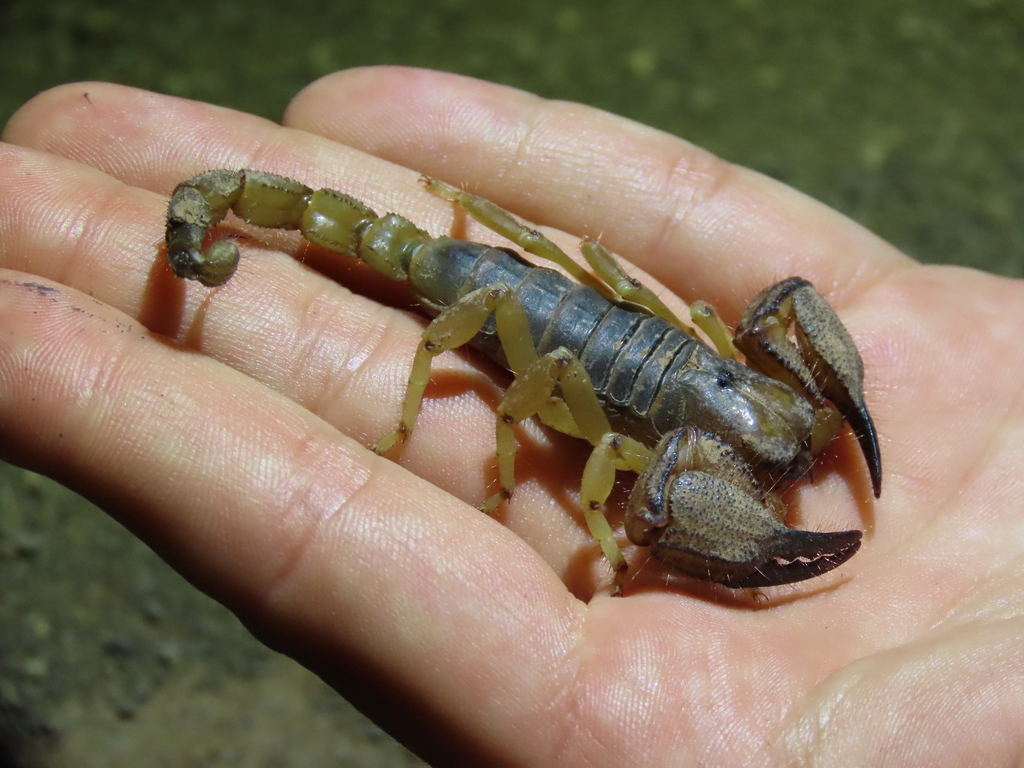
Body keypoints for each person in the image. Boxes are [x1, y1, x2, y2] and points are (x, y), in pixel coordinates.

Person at [1, 67, 1021, 766]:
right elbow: (628, 456)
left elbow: (775, 306)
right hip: (513, 304)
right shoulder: (675, 451)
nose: (784, 451)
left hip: (586, 313)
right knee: (607, 429)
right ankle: (224, 222)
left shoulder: (745, 366)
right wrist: (556, 490)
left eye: (788, 429)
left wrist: (832, 413)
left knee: (621, 344)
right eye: (781, 436)